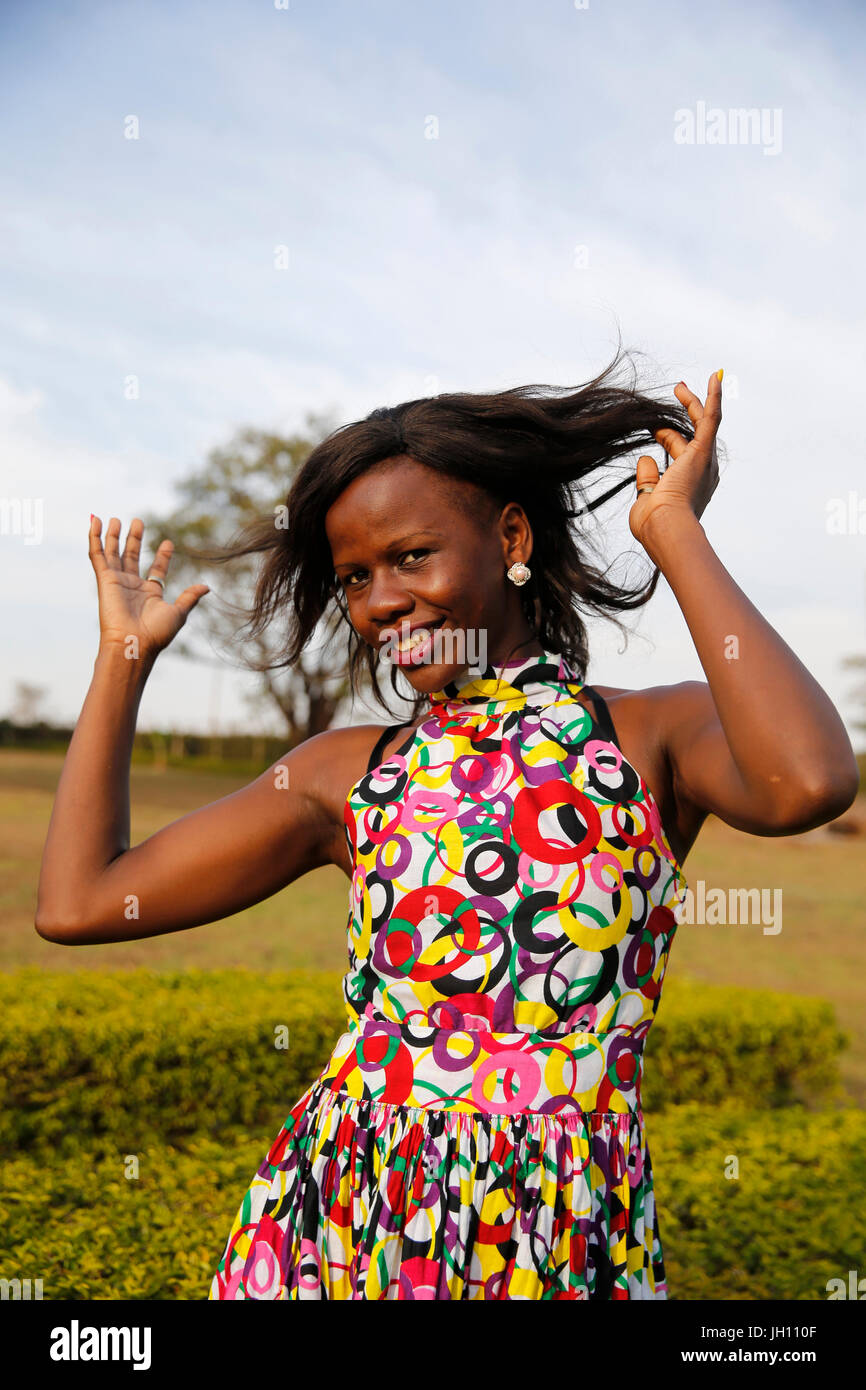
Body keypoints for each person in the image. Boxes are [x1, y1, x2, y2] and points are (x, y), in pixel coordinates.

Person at [35, 353, 859, 1301]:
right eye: (353, 577)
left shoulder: (644, 735)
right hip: (339, 1226)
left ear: (511, 534)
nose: (380, 601)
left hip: (554, 1232)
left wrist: (670, 530)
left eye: (411, 556)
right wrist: (123, 662)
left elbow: (807, 779)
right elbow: (81, 901)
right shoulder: (350, 771)